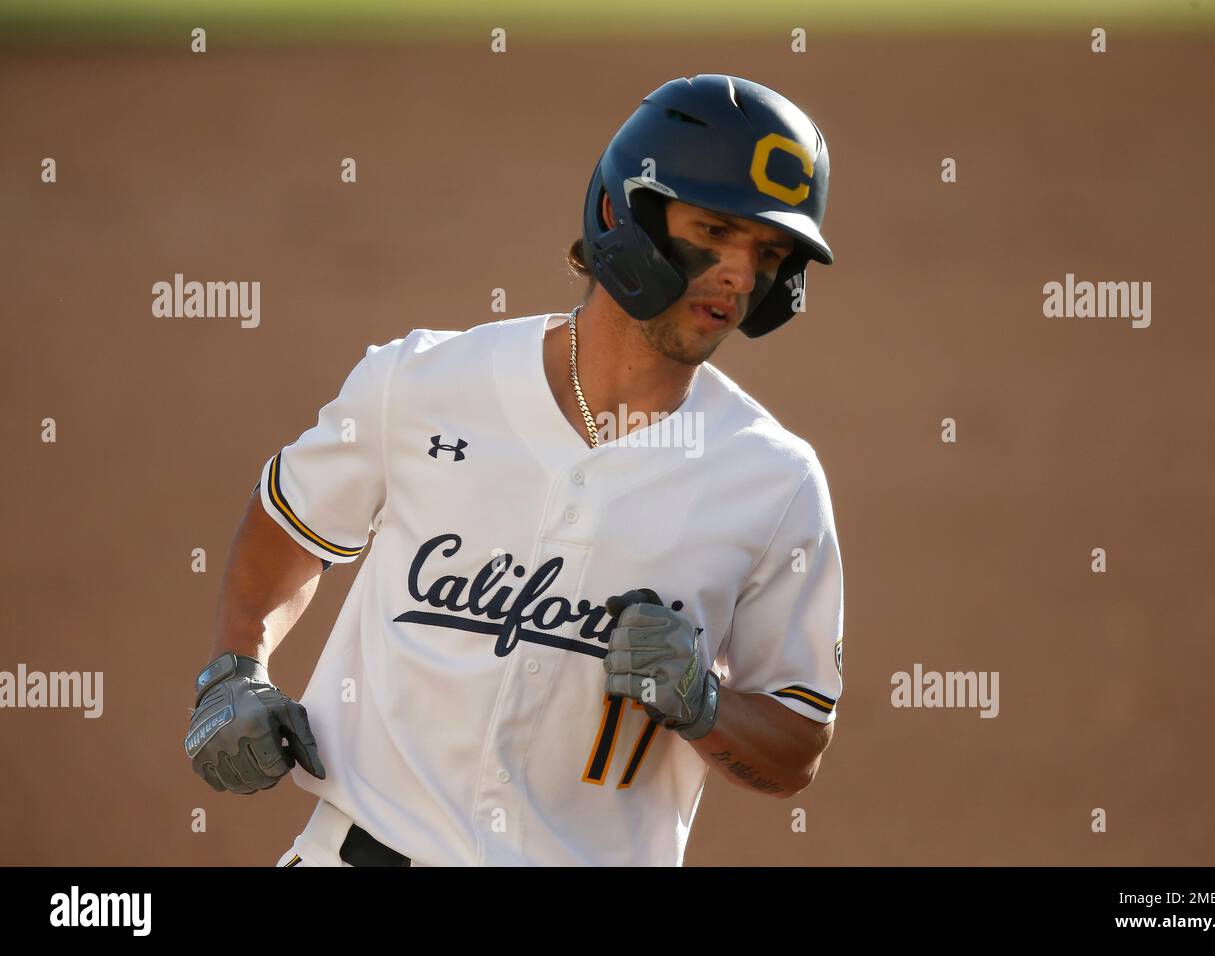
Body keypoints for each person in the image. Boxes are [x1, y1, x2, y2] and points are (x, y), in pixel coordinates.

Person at [183, 73, 845, 867]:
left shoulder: (773, 483)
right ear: (620, 210)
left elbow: (795, 747)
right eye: (713, 231)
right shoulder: (422, 384)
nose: (740, 276)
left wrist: (703, 705)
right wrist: (236, 666)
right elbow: (290, 524)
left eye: (767, 254)